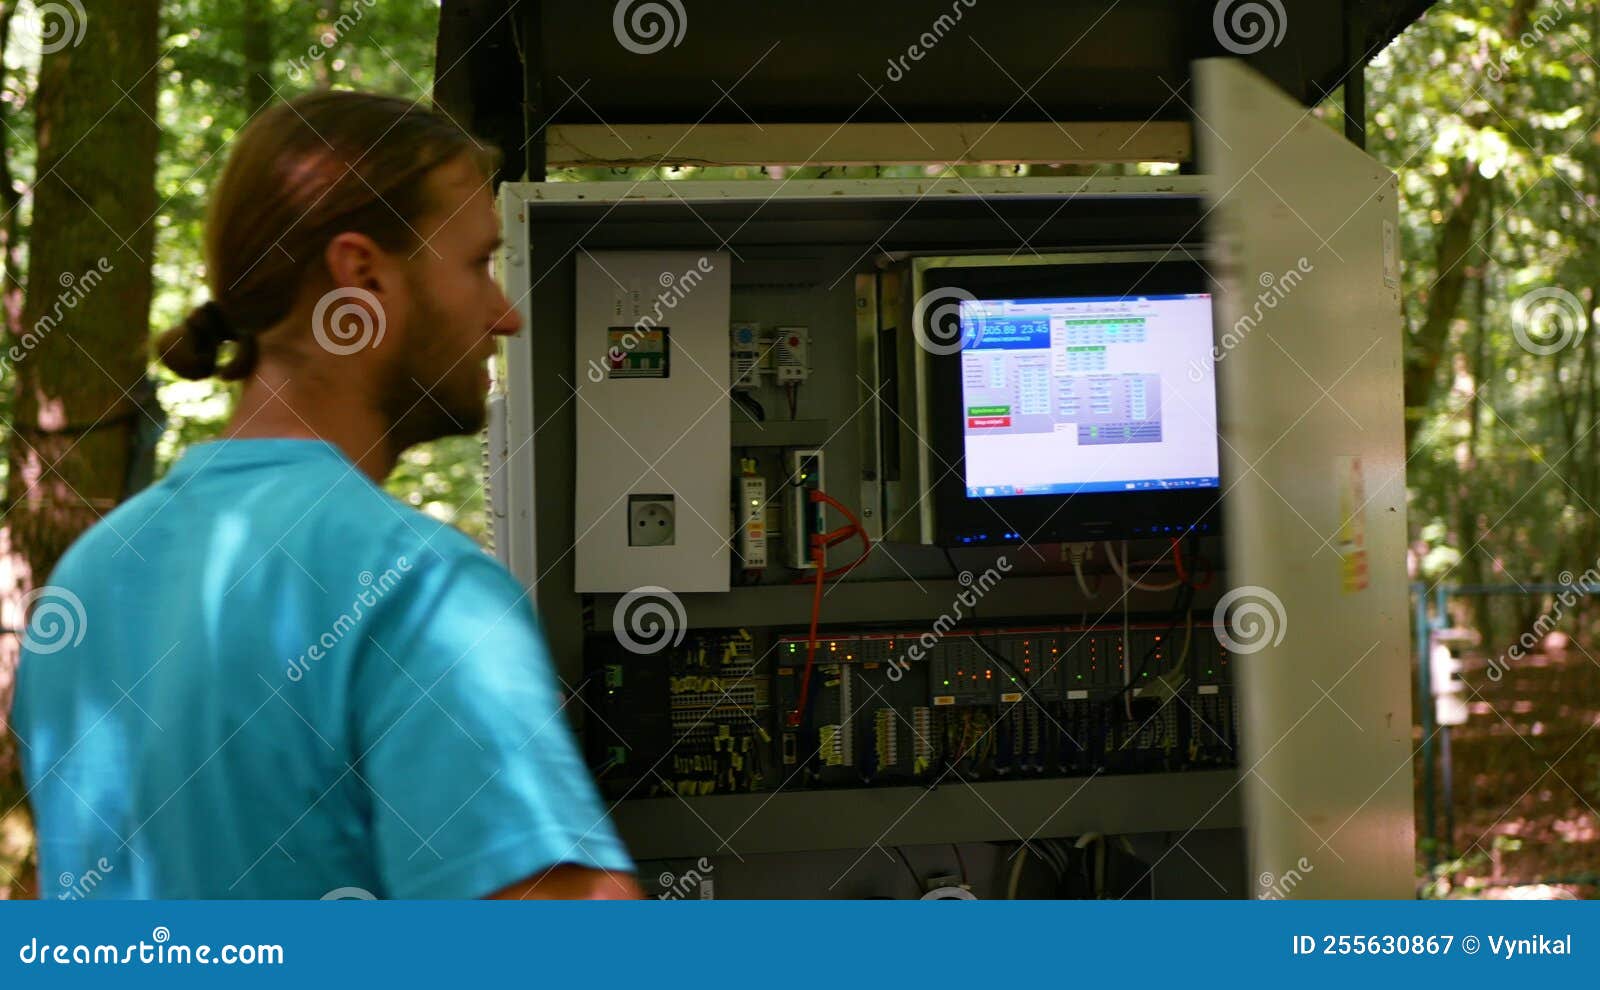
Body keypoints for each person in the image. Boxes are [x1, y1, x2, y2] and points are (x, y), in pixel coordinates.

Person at [11, 91, 639, 899]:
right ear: (362, 274)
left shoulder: (88, 580)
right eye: (478, 264)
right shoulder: (419, 589)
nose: (505, 315)